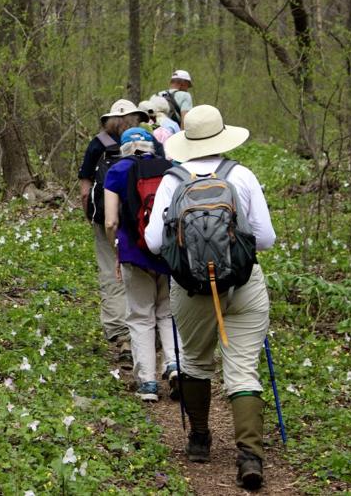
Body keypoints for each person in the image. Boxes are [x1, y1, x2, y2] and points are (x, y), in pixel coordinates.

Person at [145, 105, 276, 489]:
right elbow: (265, 238)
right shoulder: (242, 175)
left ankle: (200, 440)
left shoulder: (172, 181)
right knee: (243, 369)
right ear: (222, 137)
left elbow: (153, 242)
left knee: (195, 361)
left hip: (192, 290)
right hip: (243, 285)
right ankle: (249, 456)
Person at [103, 128, 181, 402]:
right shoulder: (169, 168)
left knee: (140, 316)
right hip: (167, 253)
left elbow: (111, 221)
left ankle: (147, 382)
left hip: (134, 252)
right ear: (151, 146)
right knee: (168, 312)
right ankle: (174, 364)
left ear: (124, 148)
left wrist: (117, 250)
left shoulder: (117, 171)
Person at [78, 99, 146, 363]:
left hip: (106, 218)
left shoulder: (98, 143)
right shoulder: (146, 141)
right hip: (141, 219)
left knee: (111, 271)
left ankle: (122, 335)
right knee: (141, 271)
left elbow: (86, 187)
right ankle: (146, 329)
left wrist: (90, 213)